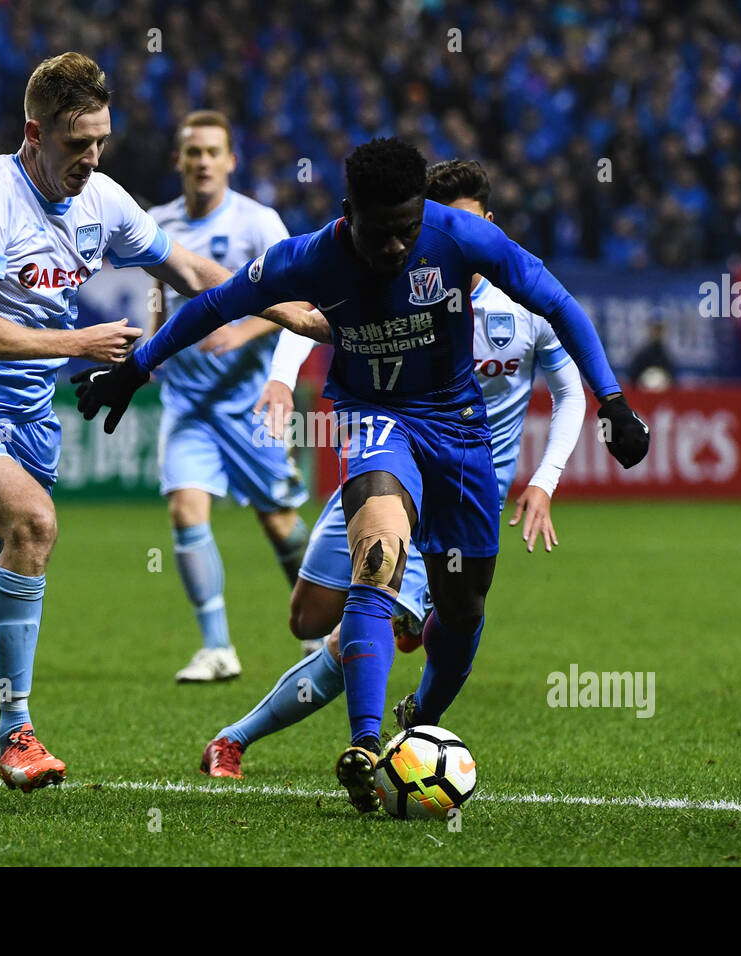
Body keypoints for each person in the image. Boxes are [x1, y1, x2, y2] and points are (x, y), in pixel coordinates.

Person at [77, 138, 649, 813]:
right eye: (382, 232)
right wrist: (138, 366)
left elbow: (560, 304)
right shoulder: (312, 256)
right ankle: (366, 745)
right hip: (374, 420)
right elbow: (217, 303)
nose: (396, 247)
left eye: (409, 229)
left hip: (460, 435)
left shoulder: (460, 237)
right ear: (350, 212)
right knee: (377, 558)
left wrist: (612, 399)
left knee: (463, 612)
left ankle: (421, 715)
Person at [0, 52, 317, 798]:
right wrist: (80, 342)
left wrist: (287, 310)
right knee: (34, 524)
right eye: (77, 144)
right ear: (34, 134)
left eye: (101, 141)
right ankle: (17, 735)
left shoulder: (104, 199)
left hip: (28, 422)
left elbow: (194, 274)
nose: (91, 158)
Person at [199, 159, 587, 778]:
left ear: (490, 225)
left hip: (456, 491)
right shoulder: (394, 282)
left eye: (470, 227)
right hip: (385, 453)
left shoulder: (526, 308)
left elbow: (572, 393)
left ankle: (242, 739)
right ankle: (406, 631)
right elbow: (323, 317)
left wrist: (545, 479)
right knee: (306, 614)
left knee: (363, 610)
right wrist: (279, 377)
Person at [147, 110, 309, 683]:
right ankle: (217, 648)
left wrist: (244, 329)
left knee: (280, 522)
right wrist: (148, 352)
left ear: (231, 161)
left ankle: (318, 631)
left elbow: (302, 302)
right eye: (193, 152)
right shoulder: (157, 222)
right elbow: (157, 301)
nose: (203, 162)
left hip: (249, 406)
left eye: (213, 151)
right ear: (179, 161)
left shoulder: (258, 222)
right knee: (184, 508)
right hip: (187, 403)